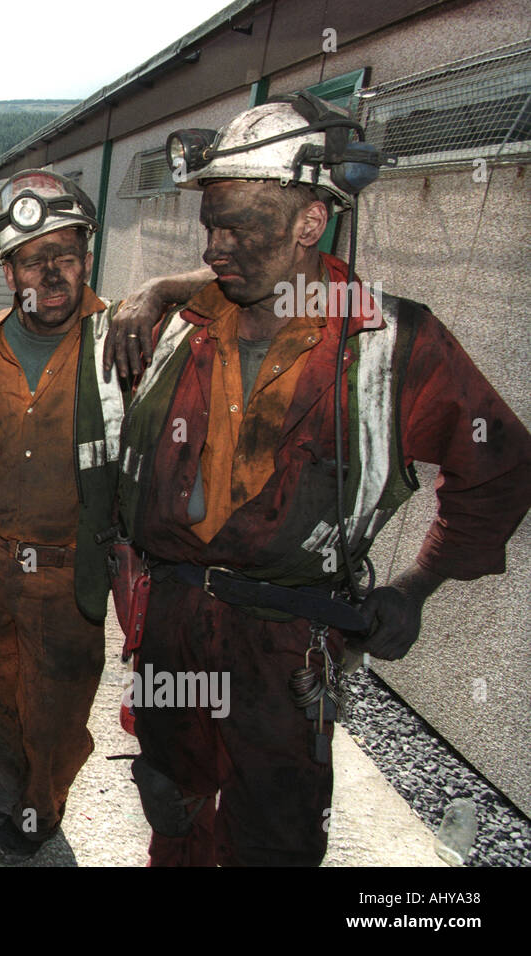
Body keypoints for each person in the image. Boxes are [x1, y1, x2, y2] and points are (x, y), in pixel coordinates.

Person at [113, 92, 531, 865]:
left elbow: (501, 466)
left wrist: (415, 584)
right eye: (211, 226)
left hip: (286, 645)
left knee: (275, 838)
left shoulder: (391, 341)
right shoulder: (183, 323)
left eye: (243, 226)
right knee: (171, 808)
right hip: (171, 626)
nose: (217, 247)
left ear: (310, 223)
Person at [0, 170, 125, 862]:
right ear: (7, 267)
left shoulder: (126, 343)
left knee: (55, 713)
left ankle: (39, 813)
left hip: (66, 570)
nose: (50, 271)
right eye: (31, 257)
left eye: (66, 254)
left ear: (86, 256)